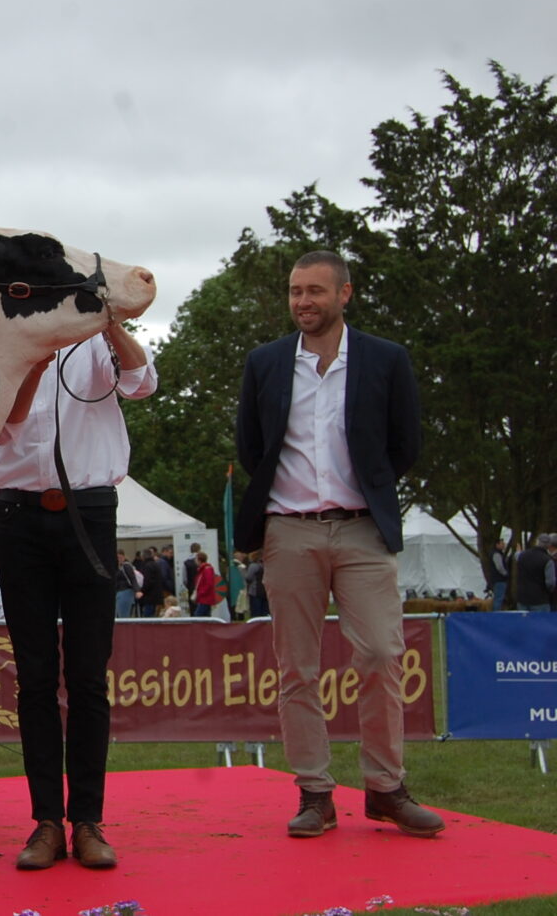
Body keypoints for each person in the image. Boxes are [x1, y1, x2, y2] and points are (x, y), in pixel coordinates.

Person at [235, 249, 442, 839]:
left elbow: (405, 445)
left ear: (344, 294)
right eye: (296, 291)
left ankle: (385, 788)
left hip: (362, 529)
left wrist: (366, 489)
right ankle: (315, 793)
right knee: (296, 668)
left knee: (381, 654)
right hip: (289, 531)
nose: (303, 301)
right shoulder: (266, 363)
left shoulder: (386, 360)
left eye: (315, 291)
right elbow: (254, 449)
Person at [0, 318, 157, 871]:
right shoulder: (8, 345)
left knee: (87, 676)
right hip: (18, 513)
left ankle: (88, 819)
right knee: (34, 678)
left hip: (88, 509)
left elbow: (142, 382)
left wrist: (111, 326)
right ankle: (45, 823)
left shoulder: (98, 344)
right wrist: (34, 362)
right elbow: (7, 422)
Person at [512, 534, 555, 612]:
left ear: (536, 542)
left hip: (522, 598)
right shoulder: (548, 560)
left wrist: (518, 551)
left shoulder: (523, 555)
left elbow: (516, 556)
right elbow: (550, 583)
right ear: (548, 546)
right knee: (541, 623)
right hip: (540, 600)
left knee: (524, 623)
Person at [191, 552, 219, 617]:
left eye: (196, 559)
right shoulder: (204, 569)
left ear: (199, 560)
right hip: (204, 597)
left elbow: (209, 584)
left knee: (198, 615)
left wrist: (201, 592)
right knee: (206, 616)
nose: (195, 561)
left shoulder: (206, 569)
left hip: (204, 598)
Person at [486, 538, 510, 611]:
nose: (504, 545)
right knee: (499, 598)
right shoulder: (496, 554)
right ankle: (496, 613)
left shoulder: (497, 553)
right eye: (502, 544)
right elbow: (499, 566)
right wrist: (506, 574)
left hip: (496, 579)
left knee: (498, 597)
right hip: (499, 579)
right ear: (497, 544)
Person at [113, 550, 139, 618]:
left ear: (124, 557)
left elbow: (133, 579)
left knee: (123, 615)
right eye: (117, 558)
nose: (119, 559)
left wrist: (137, 591)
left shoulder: (126, 566)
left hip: (125, 592)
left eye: (120, 557)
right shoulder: (115, 568)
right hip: (119, 592)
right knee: (120, 614)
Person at [246, 549, 269, 619]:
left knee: (256, 613)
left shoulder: (254, 566)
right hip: (266, 591)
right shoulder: (267, 565)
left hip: (255, 591)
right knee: (265, 612)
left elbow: (248, 578)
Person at [182, 542, 201, 610]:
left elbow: (184, 579)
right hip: (201, 586)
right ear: (199, 550)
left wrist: (188, 585)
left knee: (192, 606)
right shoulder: (201, 561)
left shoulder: (186, 562)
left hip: (191, 586)